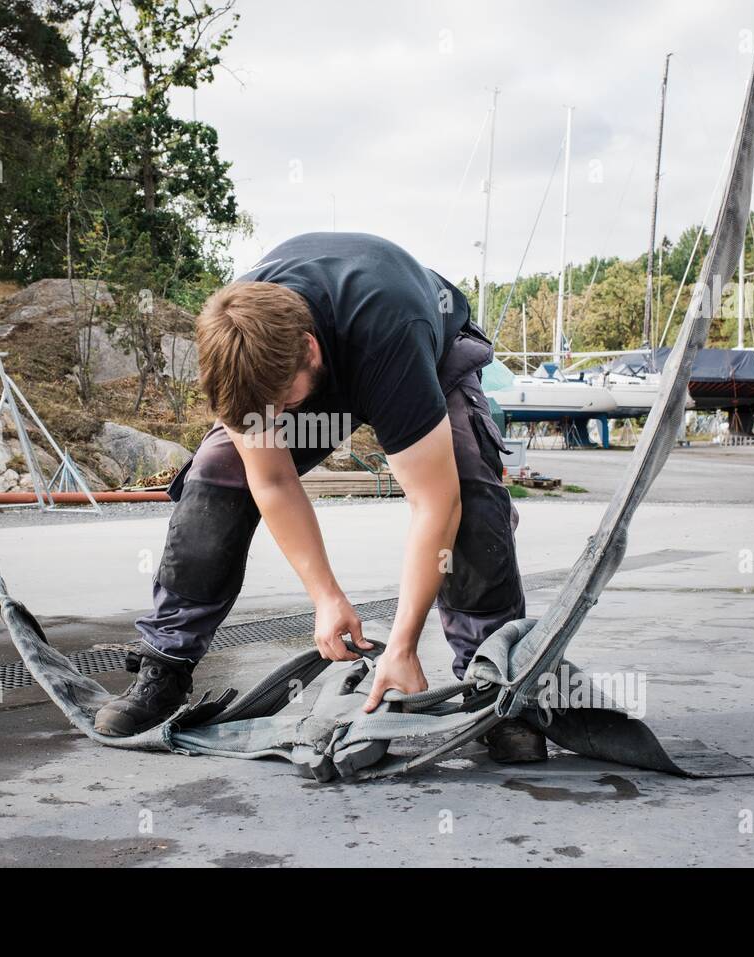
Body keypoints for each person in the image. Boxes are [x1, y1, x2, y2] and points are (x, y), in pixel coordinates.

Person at [94, 232, 545, 763]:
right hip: (308, 359)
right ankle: (166, 666)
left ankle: (492, 680)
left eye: (283, 406)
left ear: (309, 351)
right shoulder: (236, 340)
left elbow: (434, 503)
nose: (280, 422)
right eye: (268, 415)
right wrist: (326, 598)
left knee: (467, 492)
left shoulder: (390, 332)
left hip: (415, 347)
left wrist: (401, 648)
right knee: (218, 472)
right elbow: (273, 481)